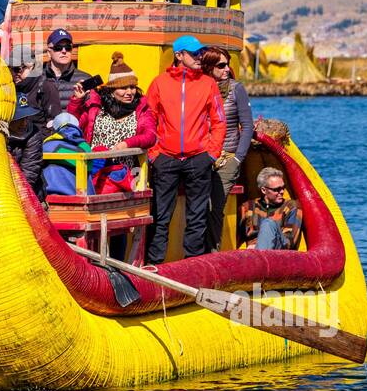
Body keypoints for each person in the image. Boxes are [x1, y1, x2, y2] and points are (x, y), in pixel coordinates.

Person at [143, 35, 226, 263]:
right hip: (165, 159)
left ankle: (193, 265)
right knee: (160, 215)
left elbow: (219, 121)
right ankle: (155, 266)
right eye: (194, 53)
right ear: (179, 55)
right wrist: (153, 155)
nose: (199, 57)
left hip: (198, 159)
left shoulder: (208, 84)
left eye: (200, 52)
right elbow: (149, 119)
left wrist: (211, 154)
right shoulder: (159, 83)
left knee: (197, 216)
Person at [202, 47, 253, 252]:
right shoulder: (200, 88)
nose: (227, 69)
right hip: (203, 157)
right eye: (221, 65)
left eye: (228, 64)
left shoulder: (236, 89)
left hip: (228, 157)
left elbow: (247, 126)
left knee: (216, 207)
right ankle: (196, 255)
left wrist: (238, 158)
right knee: (199, 208)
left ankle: (212, 253)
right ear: (209, 67)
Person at [66, 52, 155, 153]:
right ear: (112, 91)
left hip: (126, 168)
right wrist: (77, 100)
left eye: (132, 87)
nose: (129, 92)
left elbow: (150, 136)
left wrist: (126, 144)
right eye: (123, 88)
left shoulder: (141, 108)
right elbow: (71, 125)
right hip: (95, 166)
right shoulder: (96, 107)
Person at [240, 167, 303, 250]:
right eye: (277, 189)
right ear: (264, 190)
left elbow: (289, 242)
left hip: (279, 252)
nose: (282, 192)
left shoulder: (291, 206)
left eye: (283, 187)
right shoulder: (248, 207)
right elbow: (237, 236)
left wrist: (258, 246)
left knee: (268, 223)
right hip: (252, 253)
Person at [41, 112, 94, 196]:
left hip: (55, 196)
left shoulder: (49, 144)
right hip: (87, 195)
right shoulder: (85, 147)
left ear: (55, 129)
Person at [8, 45, 61, 123]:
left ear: (31, 66)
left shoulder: (46, 87)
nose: (14, 73)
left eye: (17, 69)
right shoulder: (9, 87)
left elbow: (54, 123)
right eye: (10, 68)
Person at [7, 92, 45, 201]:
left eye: (26, 118)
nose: (23, 124)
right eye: (18, 119)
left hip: (28, 193)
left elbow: (30, 170)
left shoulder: (34, 134)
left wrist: (15, 199)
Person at [41, 27, 83, 112]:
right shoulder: (37, 79)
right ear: (49, 53)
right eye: (58, 47)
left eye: (68, 47)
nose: (64, 51)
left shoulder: (84, 79)